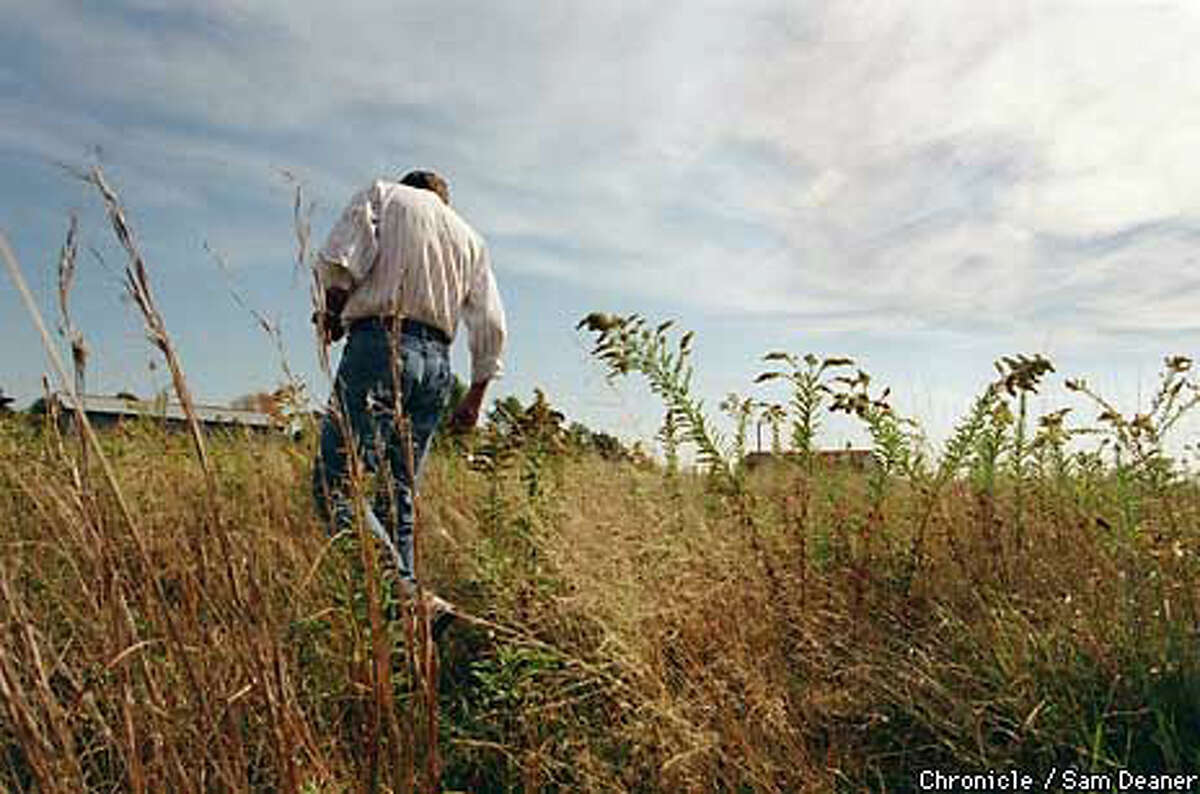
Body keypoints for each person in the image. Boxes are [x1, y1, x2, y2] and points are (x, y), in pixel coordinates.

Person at [311, 169, 506, 634]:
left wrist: (332, 312)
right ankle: (407, 634)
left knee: (335, 484)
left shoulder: (384, 196)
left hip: (381, 345)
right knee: (398, 496)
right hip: (437, 366)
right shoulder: (469, 238)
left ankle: (408, 598)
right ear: (443, 200)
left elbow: (343, 258)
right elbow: (491, 323)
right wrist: (476, 393)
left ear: (410, 186)